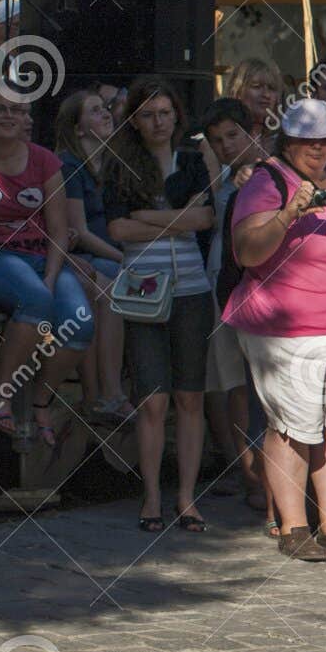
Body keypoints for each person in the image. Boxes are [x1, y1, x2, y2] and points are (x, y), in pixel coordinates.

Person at [225, 99, 326, 561]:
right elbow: (248, 251)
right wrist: (287, 215)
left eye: (325, 140)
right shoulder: (267, 182)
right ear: (288, 141)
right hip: (294, 328)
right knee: (292, 426)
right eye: (307, 141)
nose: (317, 149)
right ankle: (294, 526)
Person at [102, 77, 215, 532]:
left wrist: (145, 216)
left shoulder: (191, 159)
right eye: (147, 114)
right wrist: (176, 222)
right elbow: (116, 232)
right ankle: (151, 496)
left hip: (191, 290)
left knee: (190, 397)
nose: (157, 122)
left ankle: (186, 498)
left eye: (164, 113)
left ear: (176, 116)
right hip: (143, 291)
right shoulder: (119, 162)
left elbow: (205, 219)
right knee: (152, 400)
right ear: (134, 119)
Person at [0, 82, 95, 449]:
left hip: (42, 257)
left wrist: (50, 274)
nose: (11, 116)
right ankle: (0, 397)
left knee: (81, 321)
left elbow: (60, 231)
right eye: (1, 109)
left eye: (19, 110)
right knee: (34, 299)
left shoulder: (45, 160)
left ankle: (41, 401)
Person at [199, 97, 268, 516]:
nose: (226, 145)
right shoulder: (223, 179)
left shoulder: (272, 172)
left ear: (254, 132)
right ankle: (252, 476)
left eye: (233, 135)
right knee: (235, 390)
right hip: (220, 291)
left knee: (267, 390)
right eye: (217, 140)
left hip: (261, 295)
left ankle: (275, 480)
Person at [54, 87, 132, 425]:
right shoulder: (69, 166)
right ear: (77, 128)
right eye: (95, 111)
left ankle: (115, 391)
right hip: (80, 257)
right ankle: (105, 393)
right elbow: (80, 232)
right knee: (109, 284)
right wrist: (124, 257)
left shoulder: (112, 165)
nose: (106, 115)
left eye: (106, 109)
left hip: (111, 254)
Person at [227, 58, 283, 144]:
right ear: (237, 91)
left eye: (271, 88)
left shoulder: (281, 145)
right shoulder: (220, 141)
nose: (266, 94)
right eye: (256, 86)